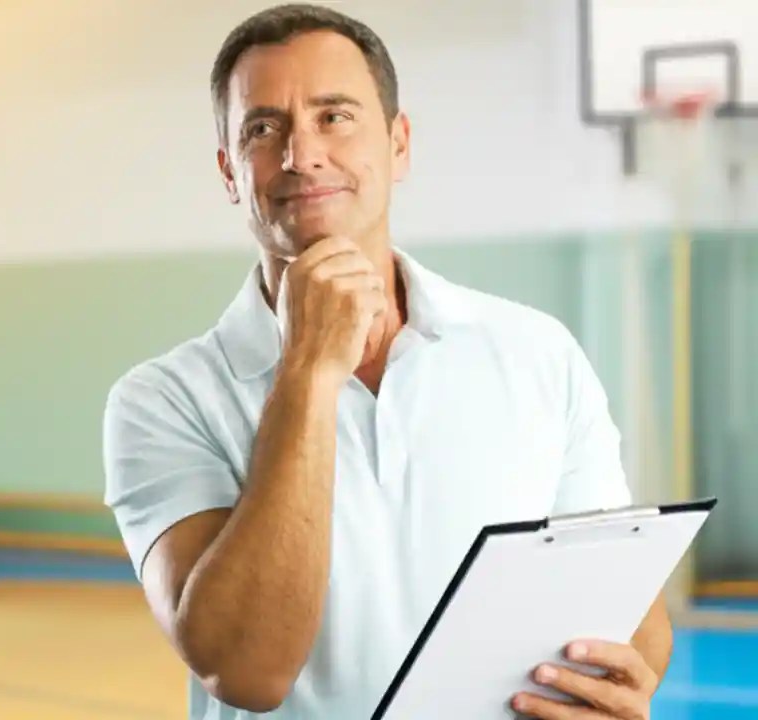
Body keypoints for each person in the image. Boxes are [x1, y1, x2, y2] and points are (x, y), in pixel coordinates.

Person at [101, 4, 672, 719]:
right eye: (262, 128)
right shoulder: (162, 400)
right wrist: (308, 367)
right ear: (228, 171)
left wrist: (603, 688)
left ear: (399, 145)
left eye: (334, 116)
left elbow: (637, 630)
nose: (300, 154)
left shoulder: (537, 353)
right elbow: (245, 670)